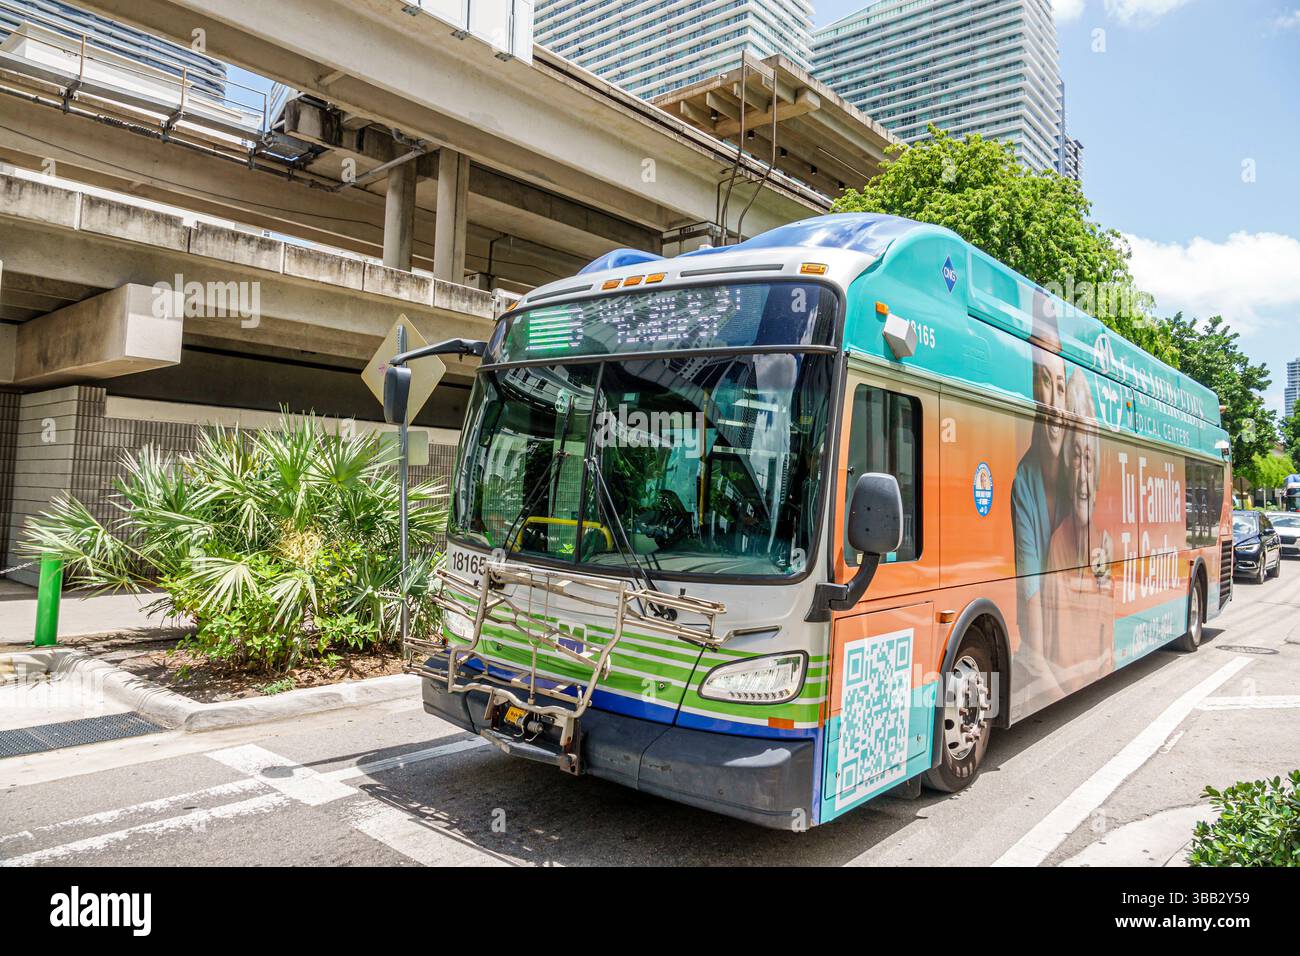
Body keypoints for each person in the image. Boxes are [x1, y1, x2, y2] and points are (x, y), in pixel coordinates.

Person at [1011, 300, 1068, 702]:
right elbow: (1033, 653)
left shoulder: (1082, 474)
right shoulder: (1024, 483)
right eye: (1041, 381)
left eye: (1059, 386)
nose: (1052, 403)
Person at [1044, 371, 1113, 692]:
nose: (1084, 480)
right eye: (1075, 458)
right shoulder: (1057, 546)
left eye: (1089, 459)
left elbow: (1108, 649)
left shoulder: (1105, 543)